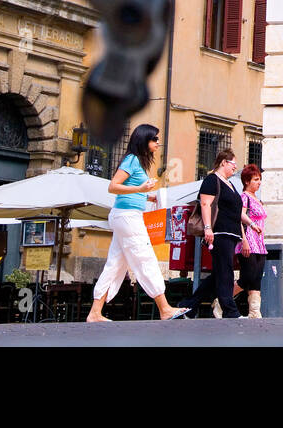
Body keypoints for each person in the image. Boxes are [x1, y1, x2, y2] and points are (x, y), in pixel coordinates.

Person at [87, 124, 187, 321]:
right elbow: (113, 186)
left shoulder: (137, 162)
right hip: (128, 217)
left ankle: (95, 312)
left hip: (125, 215)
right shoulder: (132, 160)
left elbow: (130, 190)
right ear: (144, 140)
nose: (158, 143)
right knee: (145, 258)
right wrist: (141, 187)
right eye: (155, 139)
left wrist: (147, 196)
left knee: (115, 265)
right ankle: (165, 309)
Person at [178, 149, 245, 318]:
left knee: (219, 274)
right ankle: (230, 311)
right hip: (219, 232)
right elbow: (205, 204)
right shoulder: (211, 180)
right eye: (233, 164)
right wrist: (208, 228)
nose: (235, 168)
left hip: (230, 233)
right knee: (226, 272)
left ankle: (188, 305)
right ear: (224, 162)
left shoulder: (229, 183)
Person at [238, 164, 267, 318]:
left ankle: (254, 311)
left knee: (256, 277)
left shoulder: (257, 199)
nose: (259, 182)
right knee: (247, 277)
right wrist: (244, 240)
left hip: (260, 243)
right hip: (248, 239)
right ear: (247, 181)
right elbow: (239, 217)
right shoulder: (244, 197)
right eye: (256, 179)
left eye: (259, 179)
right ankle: (222, 301)